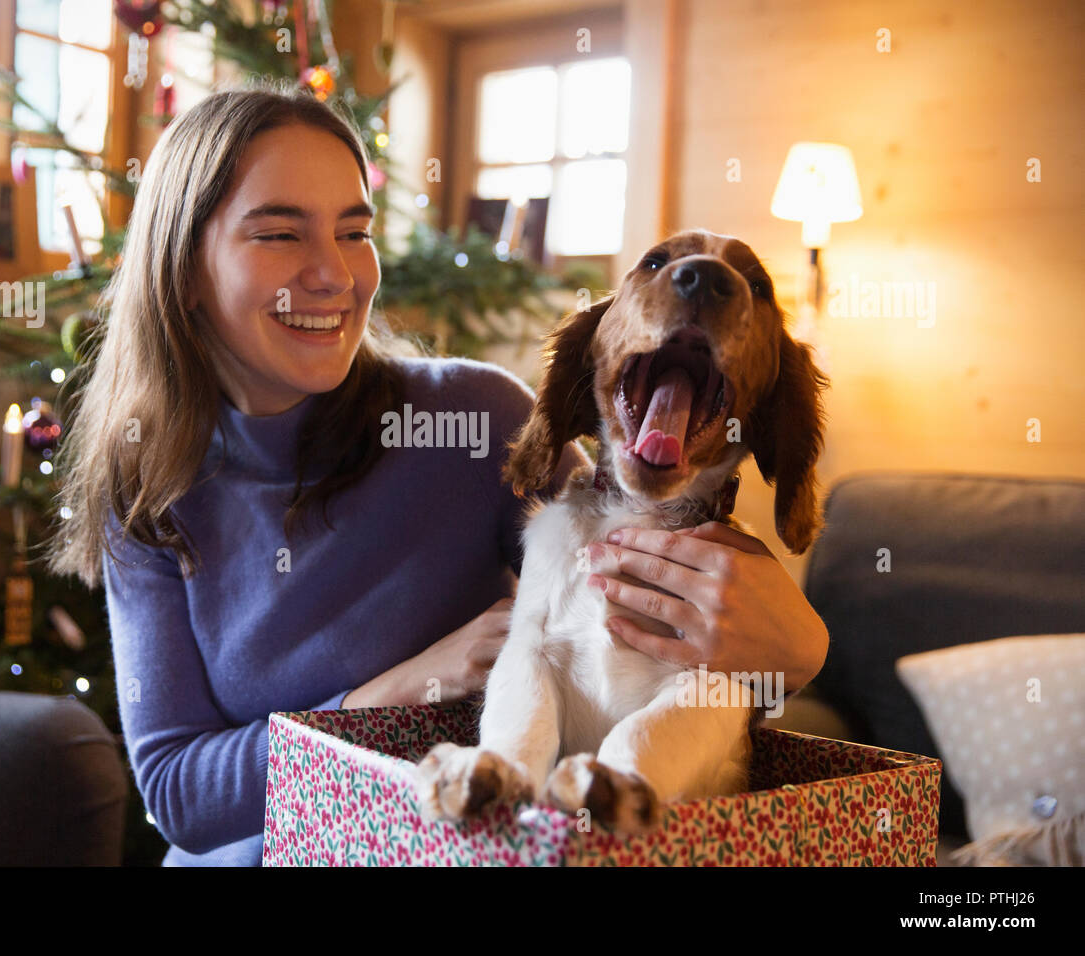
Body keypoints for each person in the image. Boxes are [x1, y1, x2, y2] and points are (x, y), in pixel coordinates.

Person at [44, 81, 829, 866]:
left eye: (354, 232)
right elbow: (179, 791)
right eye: (281, 234)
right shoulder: (146, 492)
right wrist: (403, 688)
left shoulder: (477, 419)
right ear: (183, 269)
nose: (334, 275)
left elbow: (637, 592)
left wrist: (798, 646)